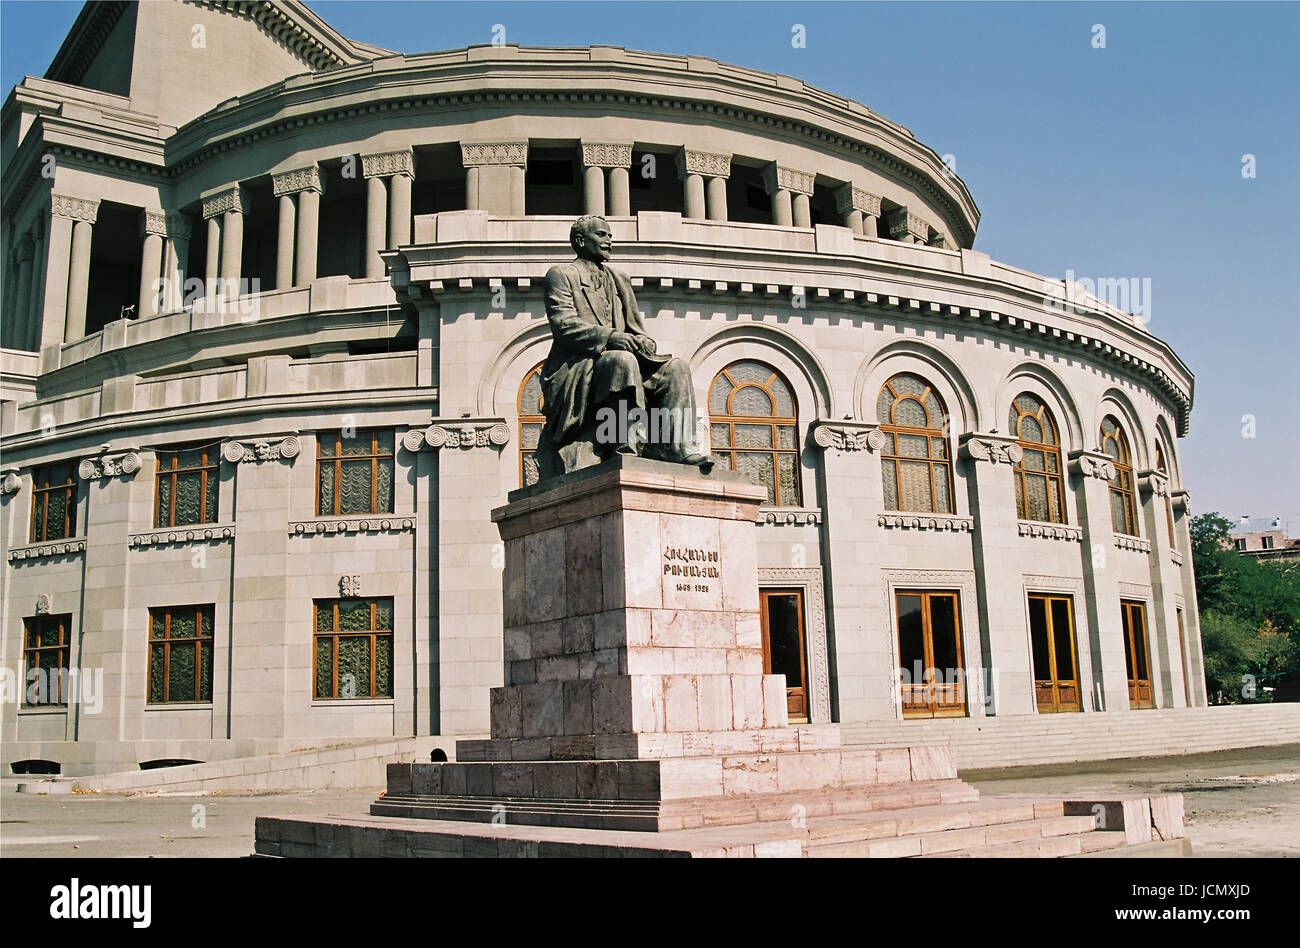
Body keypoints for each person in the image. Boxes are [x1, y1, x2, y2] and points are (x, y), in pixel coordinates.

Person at [534, 215, 711, 478]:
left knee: (676, 369)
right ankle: (624, 446)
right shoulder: (562, 275)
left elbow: (636, 328)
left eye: (610, 236)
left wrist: (643, 343)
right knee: (621, 361)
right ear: (581, 241)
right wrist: (611, 338)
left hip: (622, 358)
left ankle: (678, 447)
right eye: (602, 235)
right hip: (578, 367)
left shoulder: (619, 279)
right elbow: (564, 325)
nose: (609, 241)